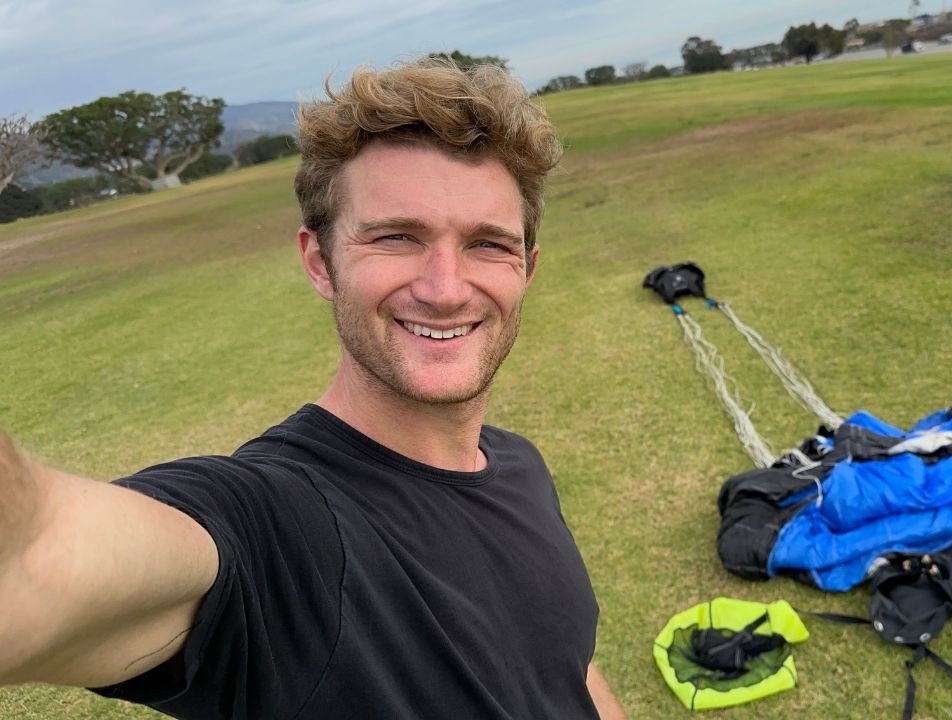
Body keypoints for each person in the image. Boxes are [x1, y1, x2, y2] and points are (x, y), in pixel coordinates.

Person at [0, 57, 627, 720]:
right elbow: (34, 564)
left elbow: (568, 665)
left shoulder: (519, 464)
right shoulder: (280, 527)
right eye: (395, 237)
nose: (446, 289)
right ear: (320, 262)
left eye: (486, 244)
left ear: (525, 268)